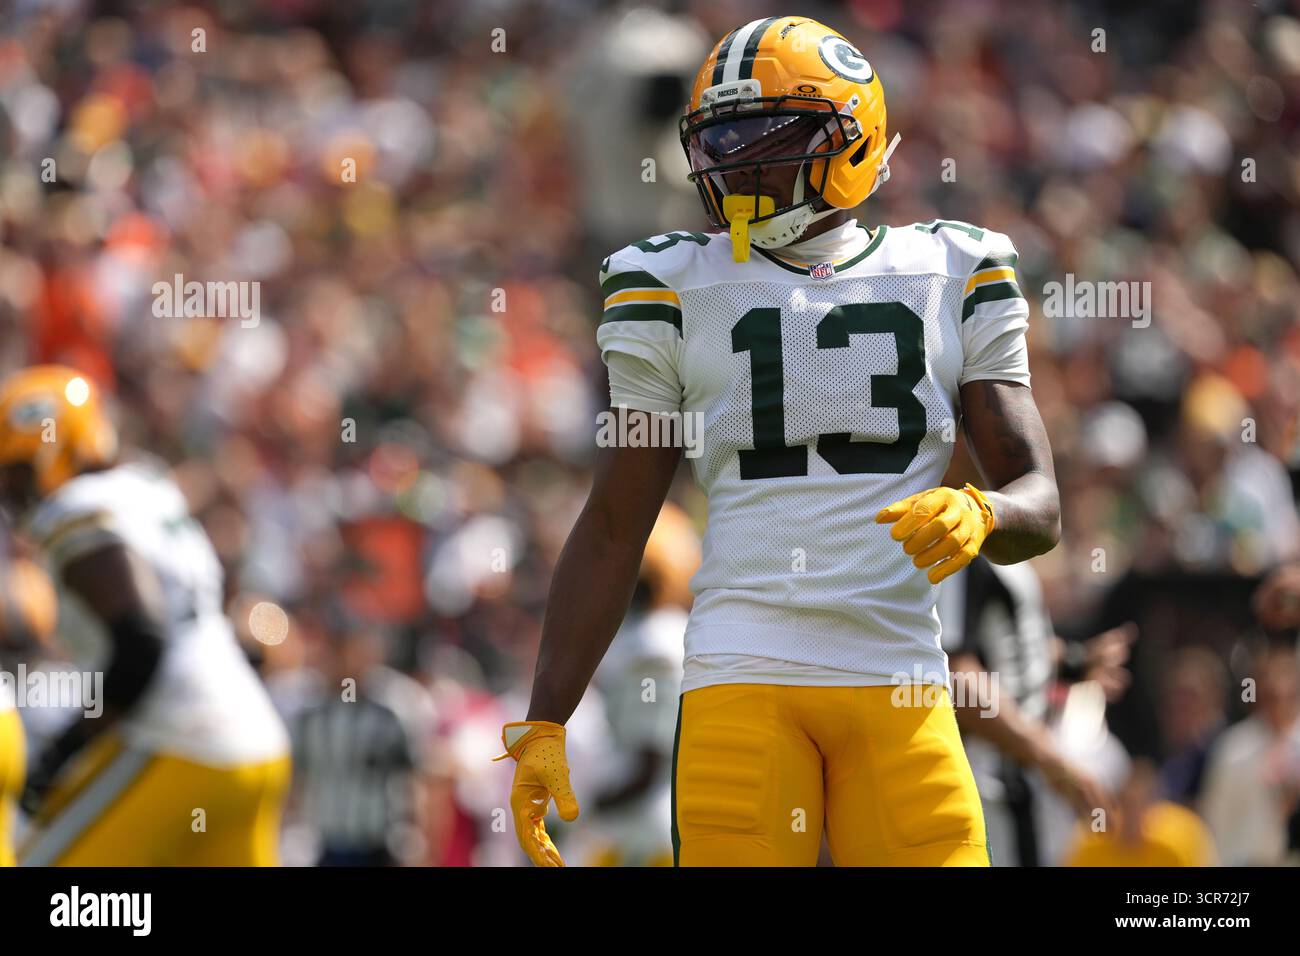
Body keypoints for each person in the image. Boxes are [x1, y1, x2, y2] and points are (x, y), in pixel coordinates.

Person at [498, 16, 1060, 867]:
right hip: (741, 669)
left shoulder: (956, 268)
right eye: (716, 140)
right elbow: (618, 522)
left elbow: (1042, 503)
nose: (733, 164)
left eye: (763, 137)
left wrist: (984, 513)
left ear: (850, 137)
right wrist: (547, 715)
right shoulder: (670, 283)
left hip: (900, 677)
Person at [0, 366, 290, 865]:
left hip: (181, 743)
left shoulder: (76, 511)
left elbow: (140, 638)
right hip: (258, 747)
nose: (12, 493)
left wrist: (66, 748)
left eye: (19, 471)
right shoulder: (147, 489)